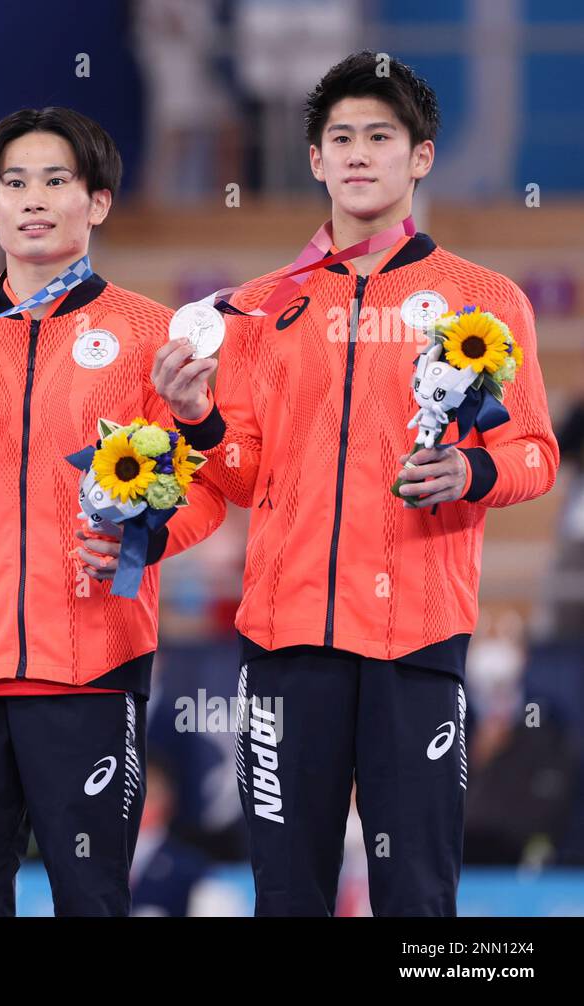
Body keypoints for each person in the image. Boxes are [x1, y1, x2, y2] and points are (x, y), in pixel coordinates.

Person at [153, 51, 560, 916]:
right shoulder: (263, 307)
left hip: (415, 641)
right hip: (284, 642)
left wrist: (471, 469)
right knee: (287, 894)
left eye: (381, 135)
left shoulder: (480, 301)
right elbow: (243, 475)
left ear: (422, 156)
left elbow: (537, 456)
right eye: (341, 137)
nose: (359, 154)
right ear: (314, 160)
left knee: (417, 896)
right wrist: (197, 421)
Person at [0, 107, 227, 916]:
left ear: (96, 202)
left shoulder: (150, 338)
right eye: (14, 183)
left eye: (56, 181)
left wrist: (140, 541)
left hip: (93, 665)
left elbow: (204, 490)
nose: (33, 199)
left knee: (93, 901)